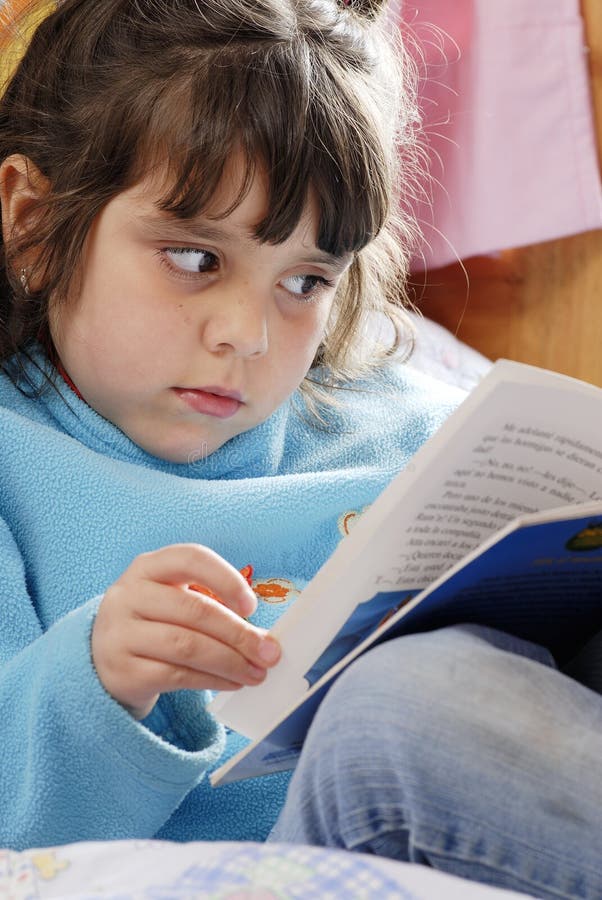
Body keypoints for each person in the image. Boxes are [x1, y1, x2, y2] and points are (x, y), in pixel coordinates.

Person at [2, 3, 599, 899]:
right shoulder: (15, 464)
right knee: (400, 710)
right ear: (34, 223)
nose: (245, 333)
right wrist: (96, 676)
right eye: (194, 259)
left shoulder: (418, 424)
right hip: (282, 856)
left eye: (305, 282)